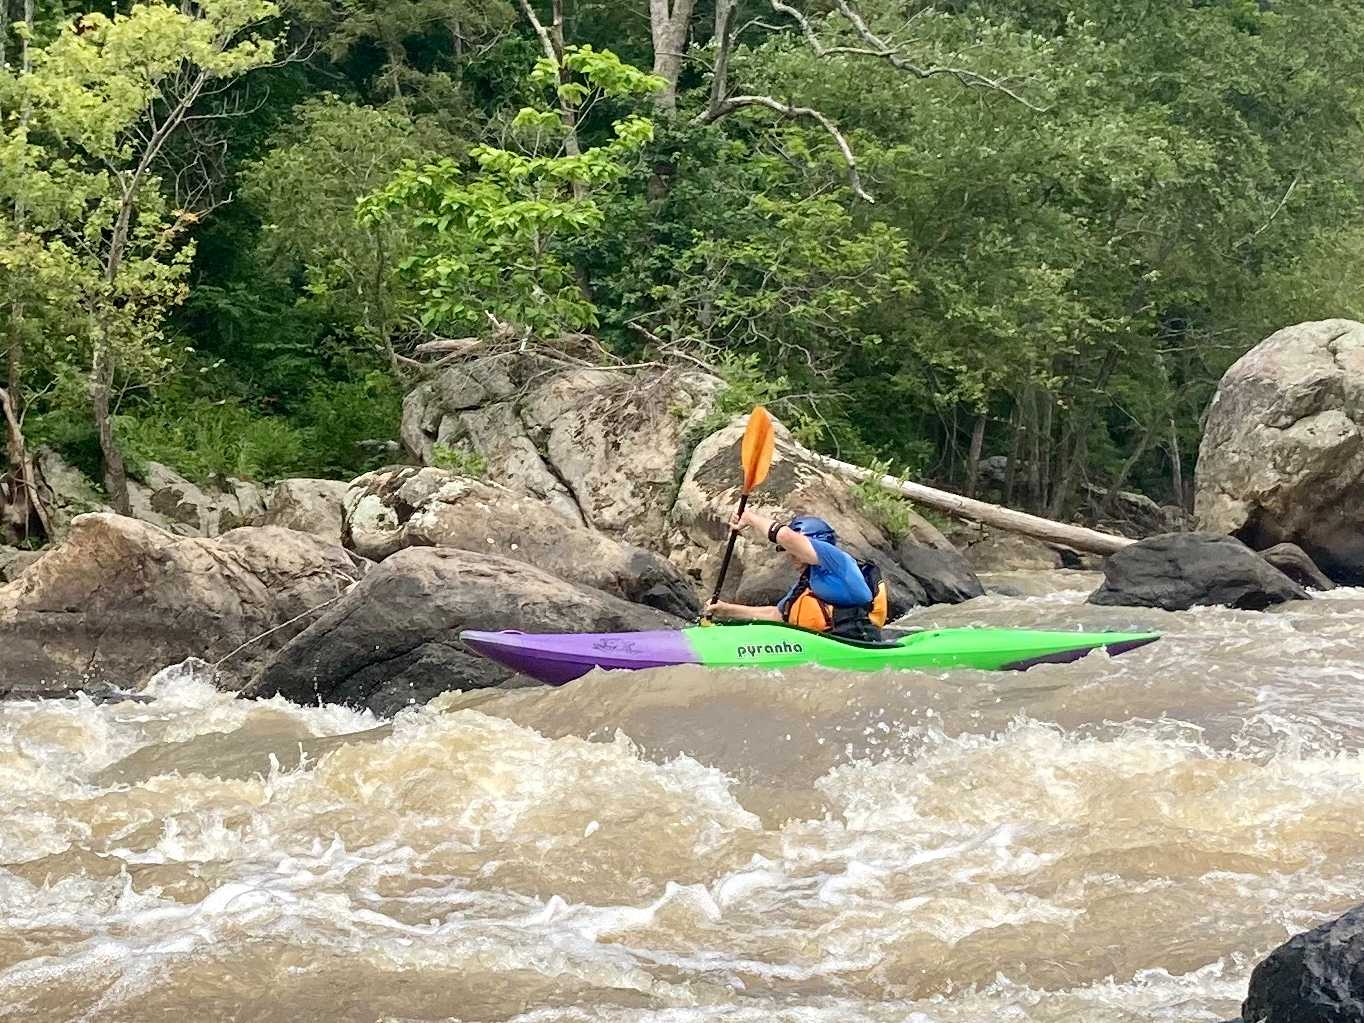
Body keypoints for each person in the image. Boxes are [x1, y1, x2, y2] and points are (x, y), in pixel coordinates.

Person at [704, 509, 888, 641]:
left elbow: (786, 537)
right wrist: (726, 610)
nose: (790, 557)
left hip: (859, 645)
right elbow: (777, 614)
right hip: (825, 644)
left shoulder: (838, 561)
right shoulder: (809, 580)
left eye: (793, 551)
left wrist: (749, 517)